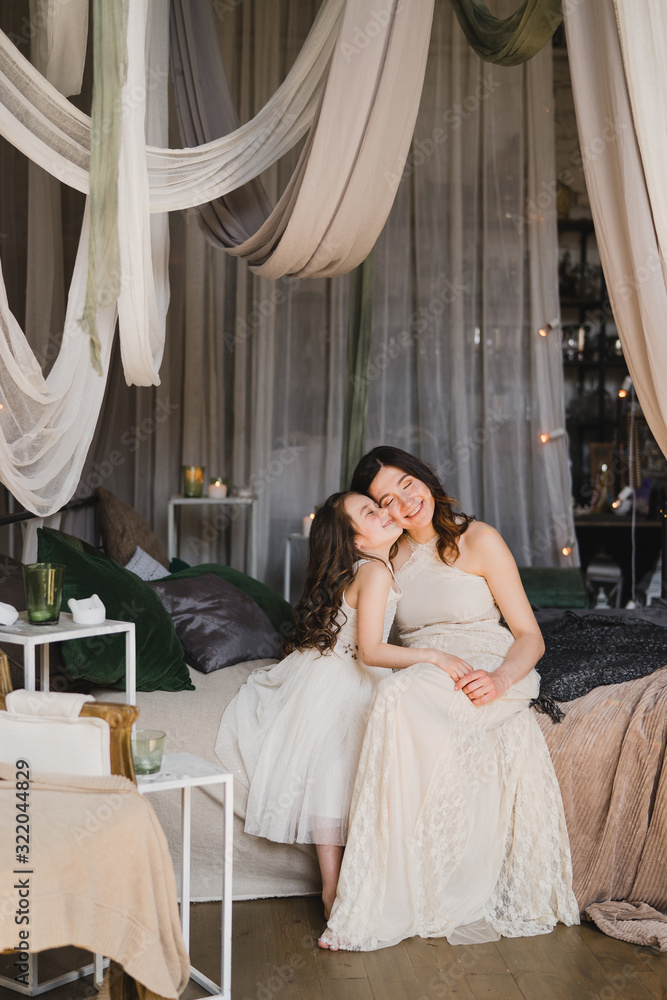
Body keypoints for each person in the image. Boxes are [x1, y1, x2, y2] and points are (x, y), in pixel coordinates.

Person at [319, 447, 579, 951]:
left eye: (407, 485)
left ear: (424, 477)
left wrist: (502, 679)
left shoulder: (477, 539)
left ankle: (400, 892)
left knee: (399, 699)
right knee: (391, 700)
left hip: (485, 663)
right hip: (426, 668)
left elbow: (530, 635)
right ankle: (385, 892)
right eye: (386, 501)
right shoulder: (386, 553)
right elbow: (356, 612)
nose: (404, 503)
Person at [215, 490, 473, 919]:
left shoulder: (372, 566)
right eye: (371, 513)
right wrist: (435, 656)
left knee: (340, 767)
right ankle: (333, 889)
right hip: (342, 676)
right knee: (337, 766)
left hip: (331, 667)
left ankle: (340, 884)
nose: (386, 513)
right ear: (355, 541)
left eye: (379, 506)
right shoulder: (374, 572)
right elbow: (371, 651)